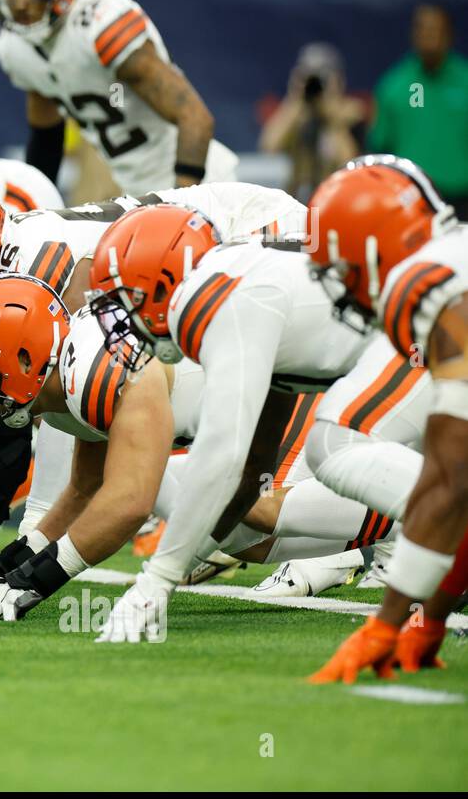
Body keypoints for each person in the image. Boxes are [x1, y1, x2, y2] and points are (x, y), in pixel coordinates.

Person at [0, 273, 388, 622]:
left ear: (23, 358)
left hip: (289, 382)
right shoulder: (62, 388)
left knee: (251, 508)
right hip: (248, 399)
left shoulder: (92, 368)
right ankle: (393, 530)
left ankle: (424, 520)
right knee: (230, 532)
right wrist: (6, 564)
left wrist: (38, 580)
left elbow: (129, 502)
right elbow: (86, 488)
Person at [83, 202, 432, 643]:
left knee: (332, 444)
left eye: (126, 298)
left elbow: (222, 454)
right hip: (421, 334)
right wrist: (194, 553)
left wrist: (157, 580)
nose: (122, 321)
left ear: (163, 283)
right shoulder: (250, 284)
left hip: (425, 338)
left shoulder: (216, 298)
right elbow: (251, 468)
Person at [303, 156, 468, 682]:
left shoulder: (423, 285)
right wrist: (430, 620)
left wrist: (387, 623)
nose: (345, 289)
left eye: (345, 268)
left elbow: (450, 481)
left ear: (376, 250)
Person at [0, 0, 237, 197]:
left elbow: (195, 119)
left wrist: (184, 203)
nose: (21, 1)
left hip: (204, 185)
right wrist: (32, 207)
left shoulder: (100, 25)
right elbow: (46, 137)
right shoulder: (15, 46)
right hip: (135, 194)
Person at [369, 4, 468, 219]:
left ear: (449, 35)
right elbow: (380, 145)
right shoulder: (394, 86)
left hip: (462, 200)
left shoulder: (465, 81)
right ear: (414, 35)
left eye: (436, 30)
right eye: (424, 30)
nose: (429, 37)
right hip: (410, 200)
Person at [258, 43, 364, 201]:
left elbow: (348, 164)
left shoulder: (350, 113)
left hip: (336, 200)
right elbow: (269, 146)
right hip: (299, 202)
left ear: (339, 80)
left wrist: (328, 115)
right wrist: (295, 97)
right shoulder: (296, 115)